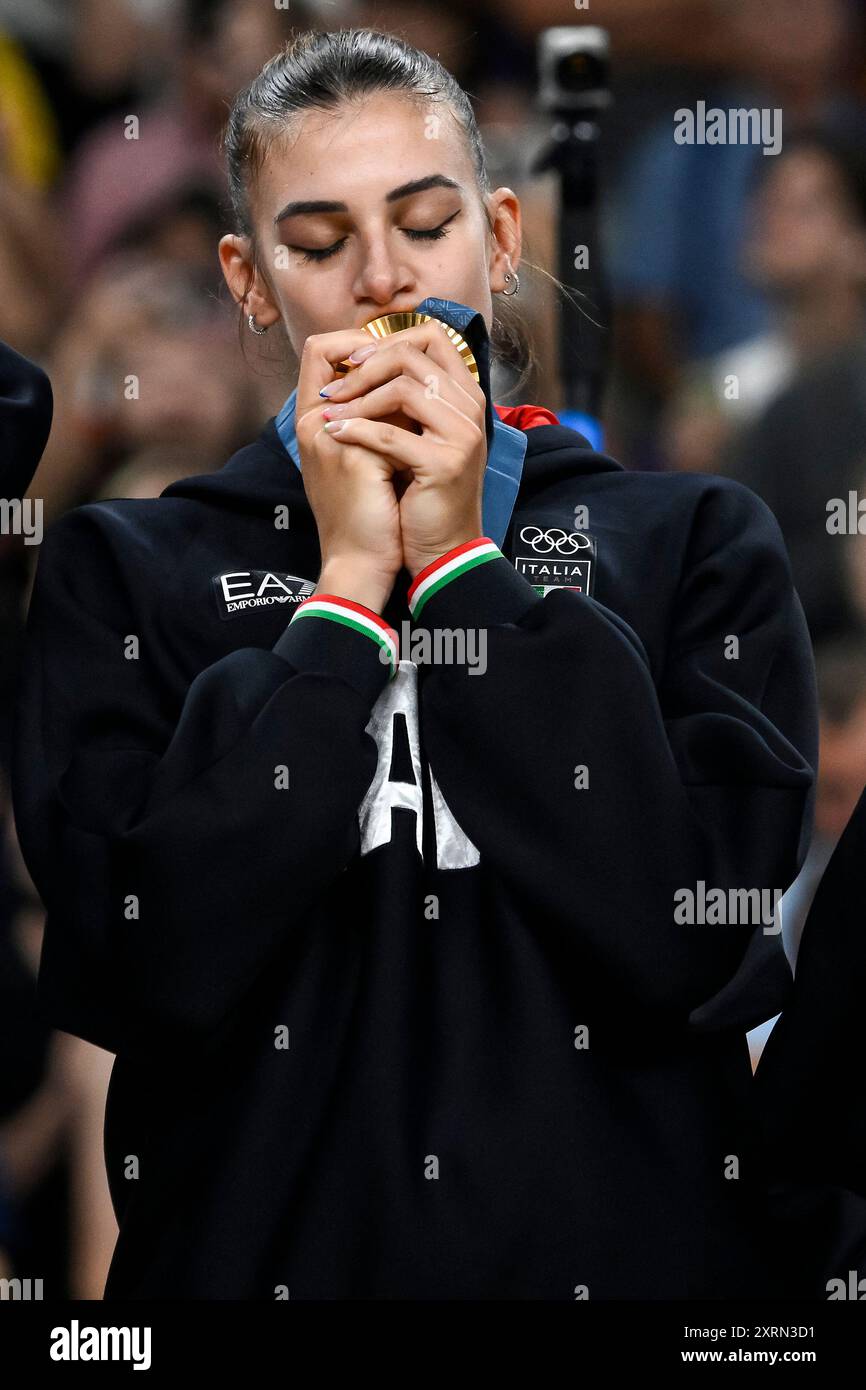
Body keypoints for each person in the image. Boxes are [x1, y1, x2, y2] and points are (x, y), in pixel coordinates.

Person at [12, 28, 818, 1300]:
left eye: (427, 224)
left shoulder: (690, 540)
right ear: (249, 280)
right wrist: (339, 599)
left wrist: (453, 561)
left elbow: (682, 940)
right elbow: (148, 971)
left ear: (501, 241)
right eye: (319, 244)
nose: (382, 279)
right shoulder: (128, 567)